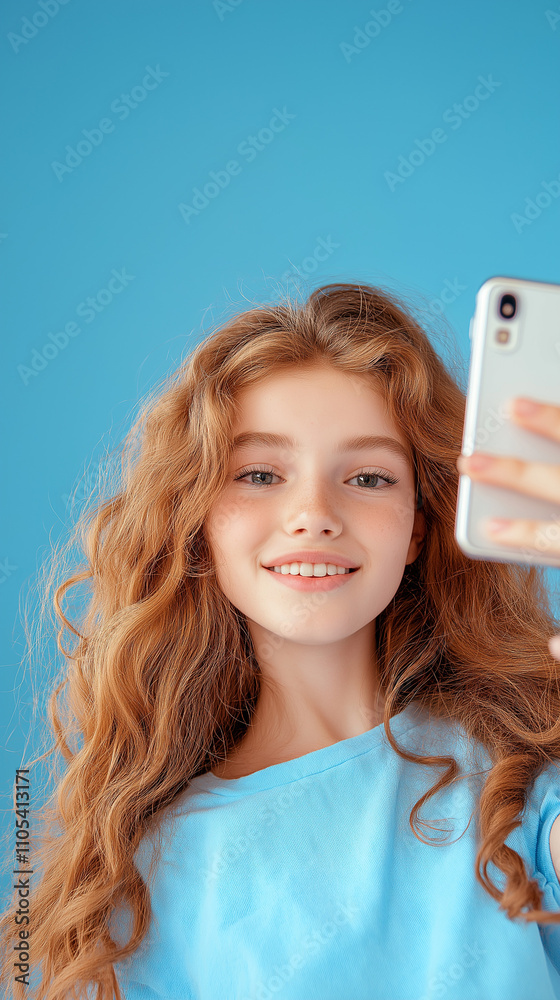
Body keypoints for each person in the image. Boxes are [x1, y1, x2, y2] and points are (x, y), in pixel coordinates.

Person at [2, 281, 560, 1000]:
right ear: (198, 518)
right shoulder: (137, 879)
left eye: (367, 476)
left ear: (418, 526)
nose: (313, 514)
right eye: (260, 473)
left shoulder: (515, 788)